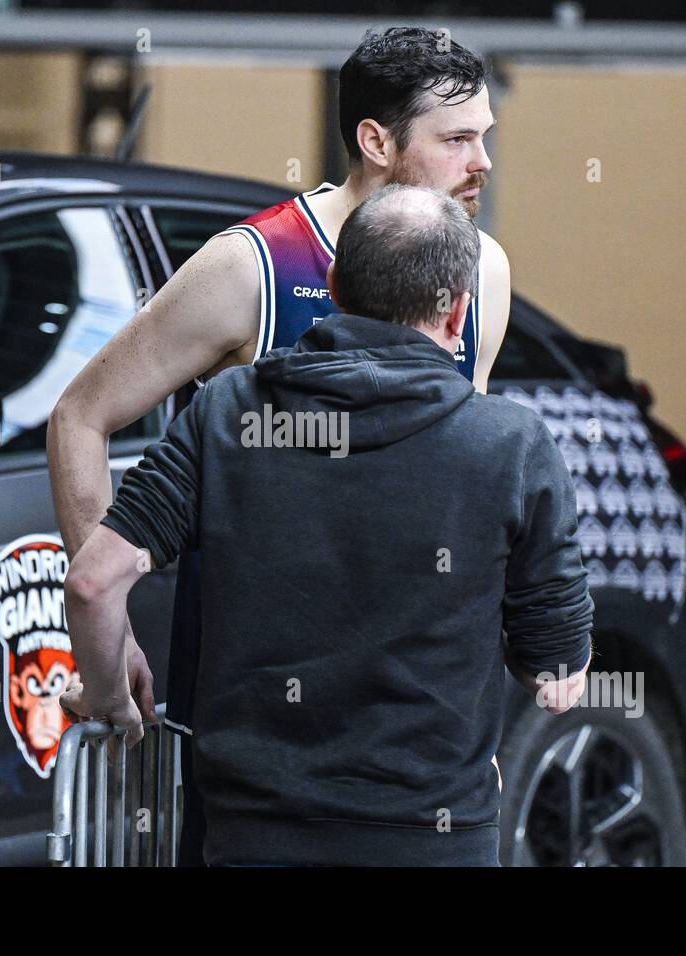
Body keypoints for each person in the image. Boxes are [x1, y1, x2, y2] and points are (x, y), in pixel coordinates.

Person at [47, 26, 512, 865]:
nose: (482, 162)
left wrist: (473, 718)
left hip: (411, 756)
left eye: (485, 137)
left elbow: (459, 496)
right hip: (256, 747)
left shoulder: (482, 268)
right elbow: (79, 415)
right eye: (457, 139)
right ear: (375, 140)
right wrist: (107, 653)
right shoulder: (254, 266)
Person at [59, 185, 593, 866]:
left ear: (335, 286)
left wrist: (111, 700)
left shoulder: (229, 414)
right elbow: (554, 675)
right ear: (460, 311)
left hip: (252, 837)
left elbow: (93, 584)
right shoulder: (510, 445)